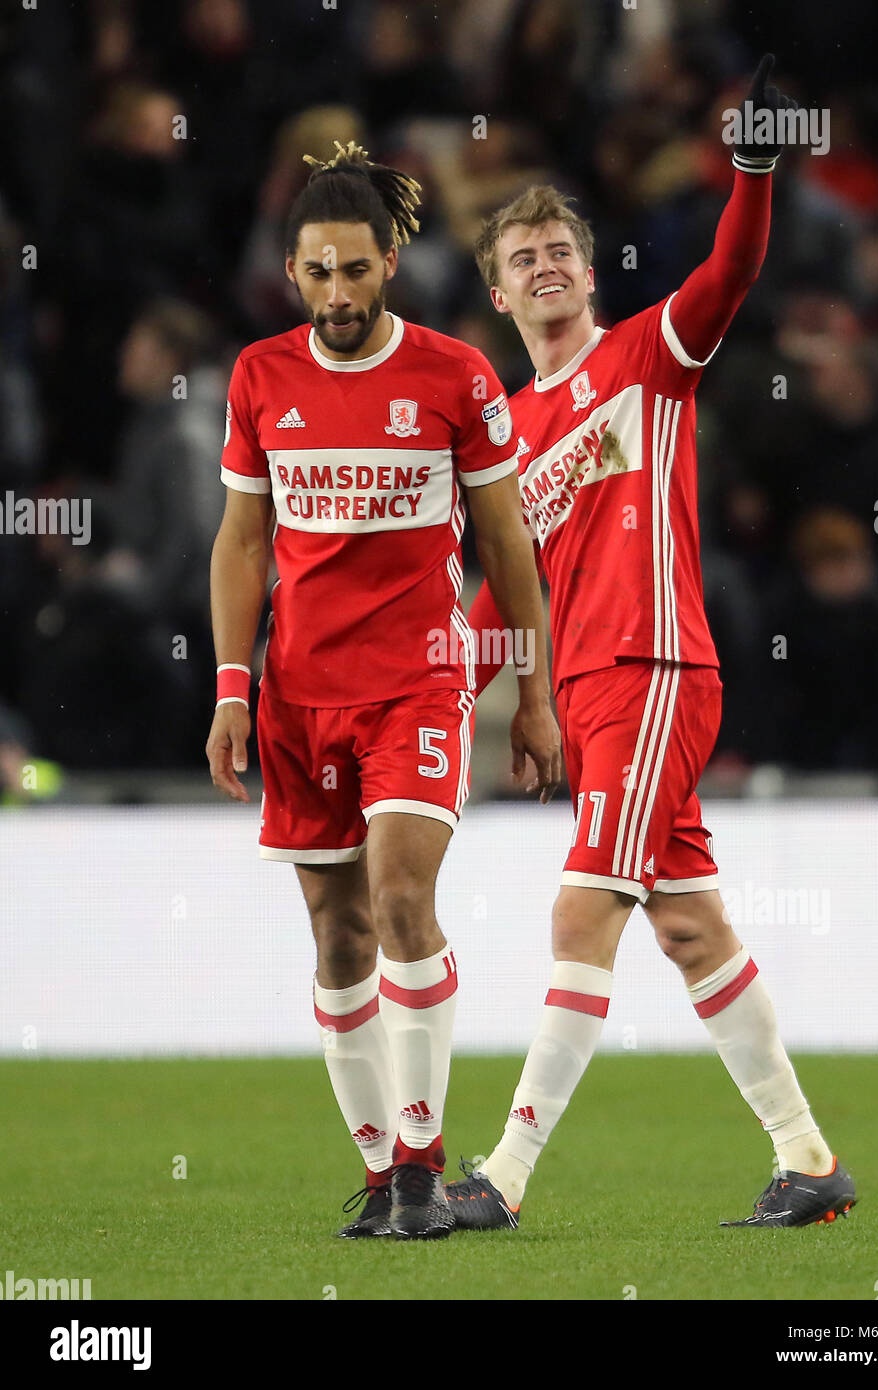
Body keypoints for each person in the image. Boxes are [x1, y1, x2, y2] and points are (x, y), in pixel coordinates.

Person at [447, 59, 857, 1230]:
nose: (546, 265)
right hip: (589, 695)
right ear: (499, 291)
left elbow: (728, 275)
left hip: (654, 673)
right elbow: (497, 604)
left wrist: (753, 170)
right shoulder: (513, 435)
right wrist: (424, 696)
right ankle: (807, 1160)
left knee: (581, 917)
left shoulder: (644, 358)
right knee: (687, 927)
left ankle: (504, 1179)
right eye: (522, 256)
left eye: (560, 249)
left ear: (585, 270)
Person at [205, 142, 561, 1240]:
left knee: (402, 895)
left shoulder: (454, 376)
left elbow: (506, 543)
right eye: (317, 273)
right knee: (337, 936)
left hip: (419, 681)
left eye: (355, 271)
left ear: (391, 261)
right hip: (298, 693)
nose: (338, 294)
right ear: (292, 271)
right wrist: (229, 688)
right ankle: (376, 1167)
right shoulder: (261, 376)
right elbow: (242, 538)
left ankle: (420, 1162)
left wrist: (534, 691)